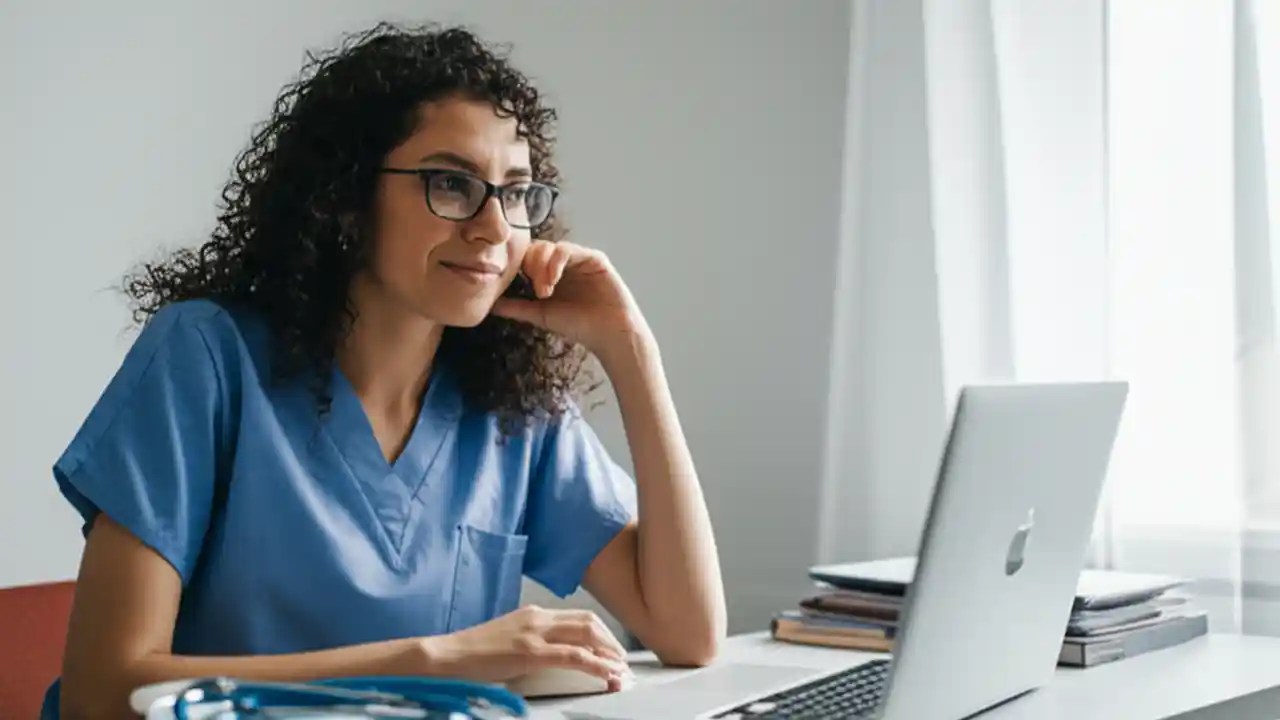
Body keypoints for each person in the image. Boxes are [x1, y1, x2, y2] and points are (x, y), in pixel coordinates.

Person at [46, 22, 725, 720]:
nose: (495, 227)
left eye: (516, 193)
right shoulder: (207, 358)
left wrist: (632, 352)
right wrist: (432, 662)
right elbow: (103, 694)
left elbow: (689, 633)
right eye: (451, 184)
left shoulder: (514, 409)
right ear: (344, 197)